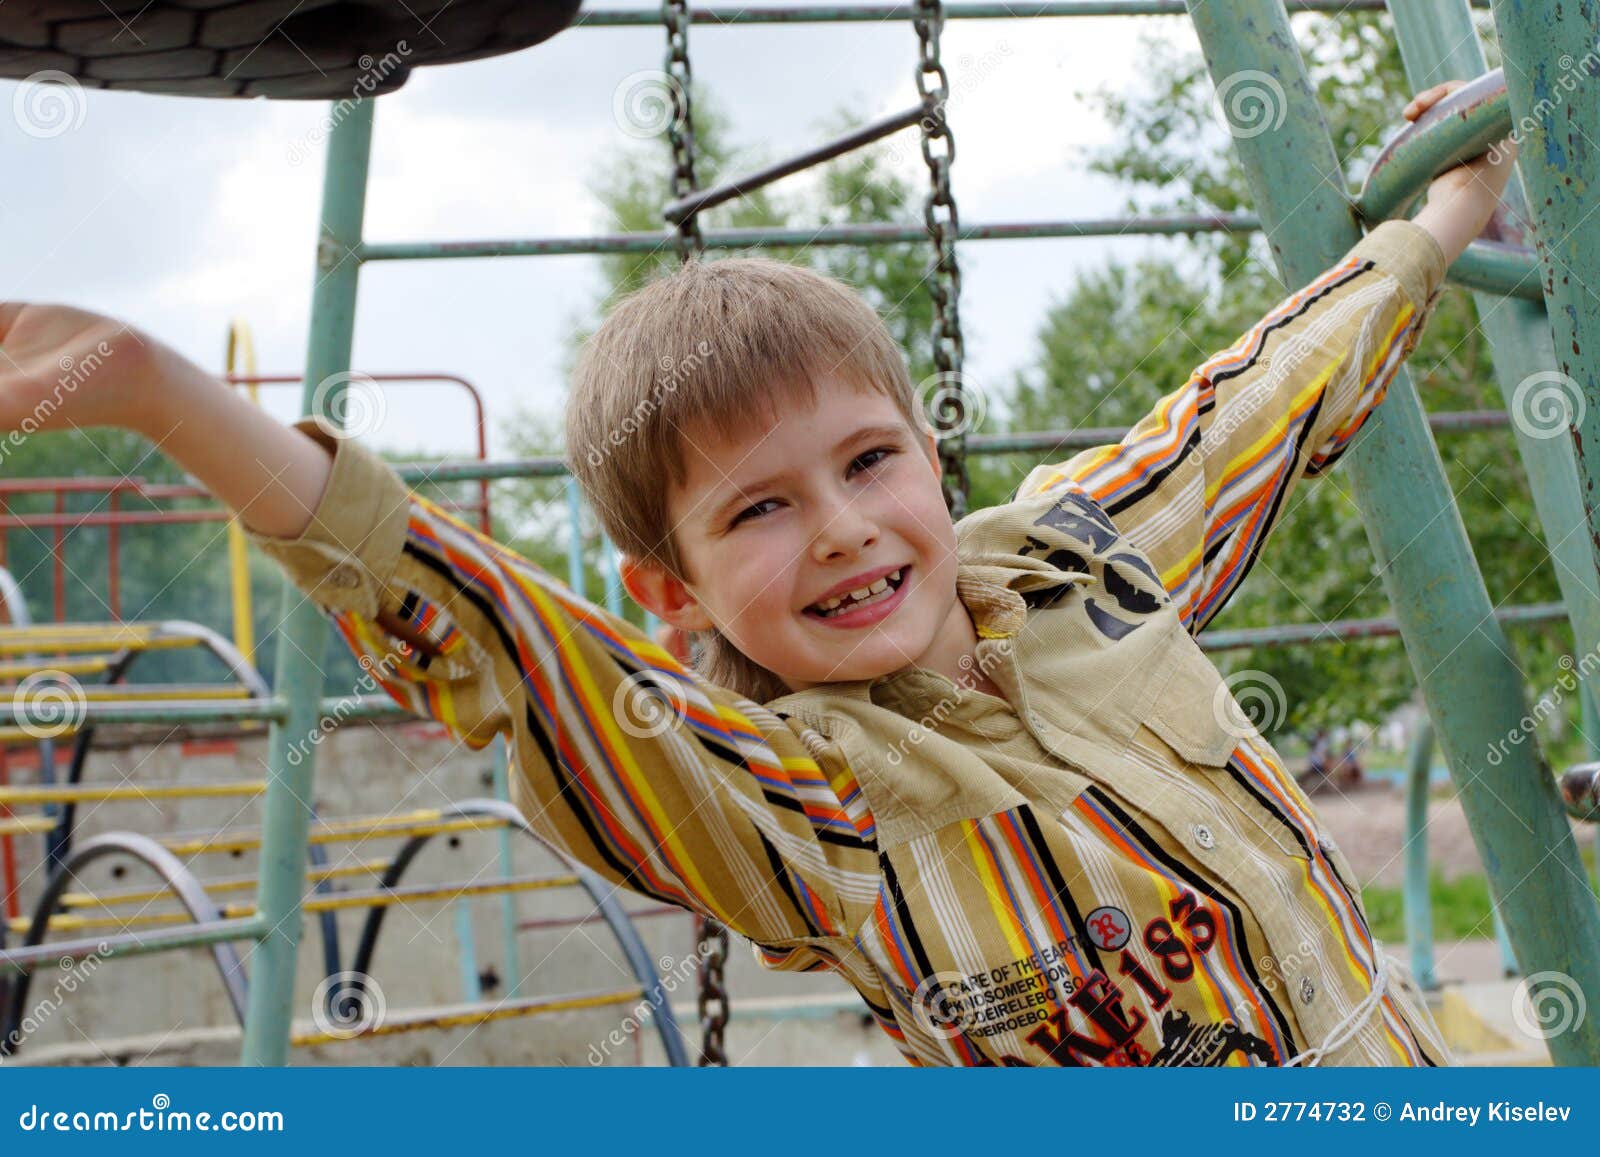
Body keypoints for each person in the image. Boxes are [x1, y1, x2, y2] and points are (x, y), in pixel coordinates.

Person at [0, 82, 1515, 1066]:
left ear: (930, 458)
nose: (847, 527)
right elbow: (513, 655)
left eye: (868, 463)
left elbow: (1249, 404)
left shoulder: (1071, 560)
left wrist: (1441, 218)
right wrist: (158, 392)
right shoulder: (794, 799)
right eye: (761, 512)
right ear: (674, 592)